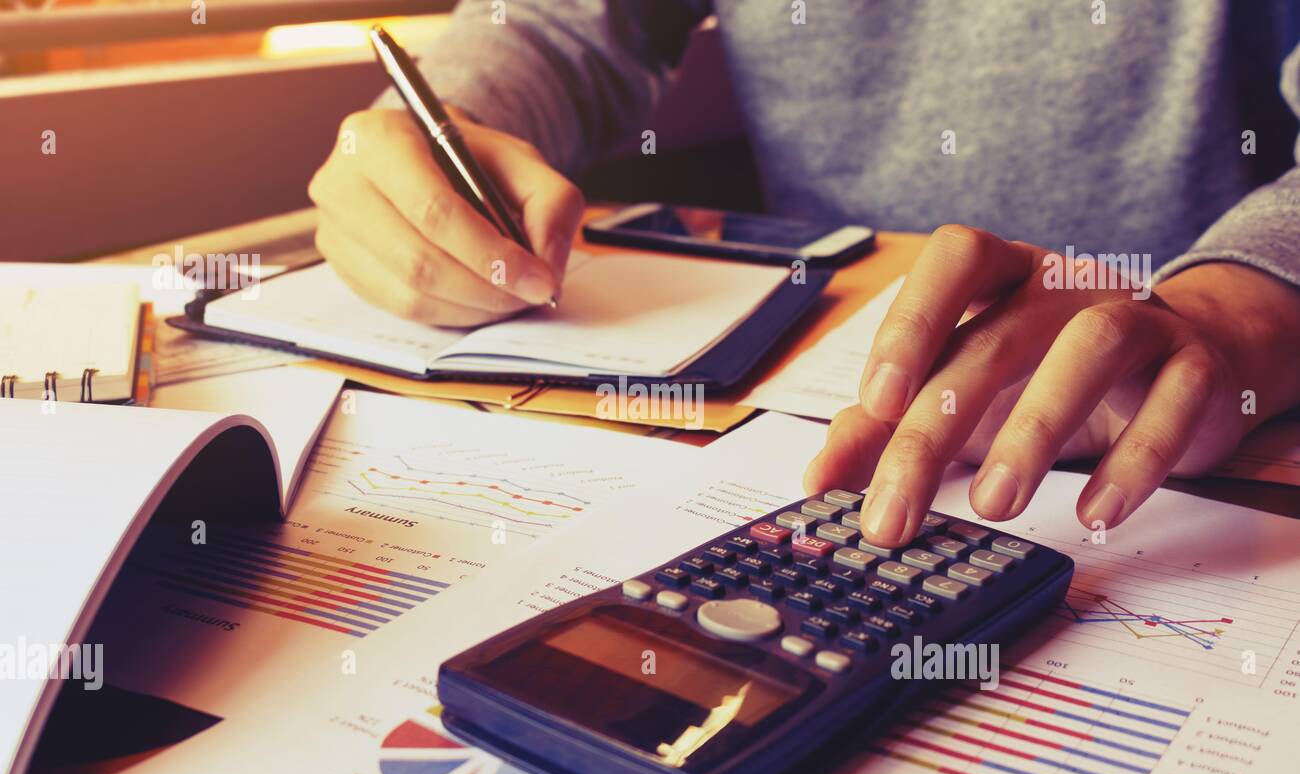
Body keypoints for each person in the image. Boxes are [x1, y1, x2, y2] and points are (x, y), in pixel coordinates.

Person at [308, 1, 1300, 544]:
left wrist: (1236, 307)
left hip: (1225, 407)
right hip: (817, 377)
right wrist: (450, 131)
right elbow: (562, 27)